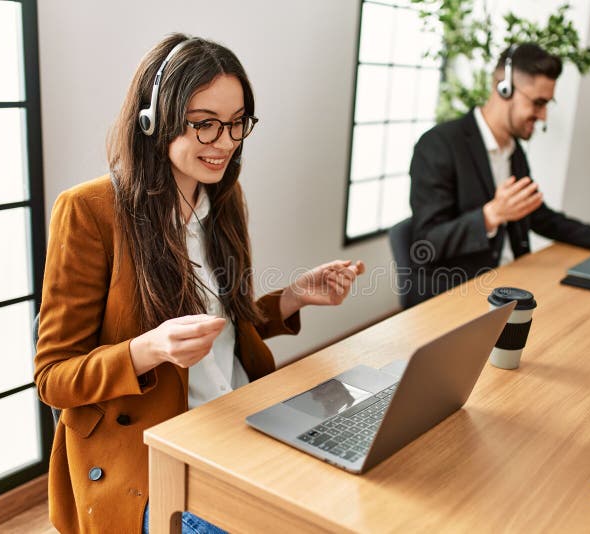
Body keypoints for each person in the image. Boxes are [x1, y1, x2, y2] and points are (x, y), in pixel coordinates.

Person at [34, 34, 365, 534]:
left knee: (344, 495)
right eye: (205, 125)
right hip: (151, 454)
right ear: (154, 120)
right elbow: (53, 377)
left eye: (236, 125)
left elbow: (223, 329)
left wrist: (295, 297)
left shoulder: (222, 201)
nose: (225, 144)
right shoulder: (89, 211)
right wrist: (147, 351)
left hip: (240, 416)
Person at [409, 43, 590, 304]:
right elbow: (426, 242)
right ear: (504, 90)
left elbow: (540, 216)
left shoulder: (512, 150)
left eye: (547, 104)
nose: (543, 115)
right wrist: (490, 216)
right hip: (460, 294)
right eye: (538, 103)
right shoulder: (439, 145)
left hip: (512, 283)